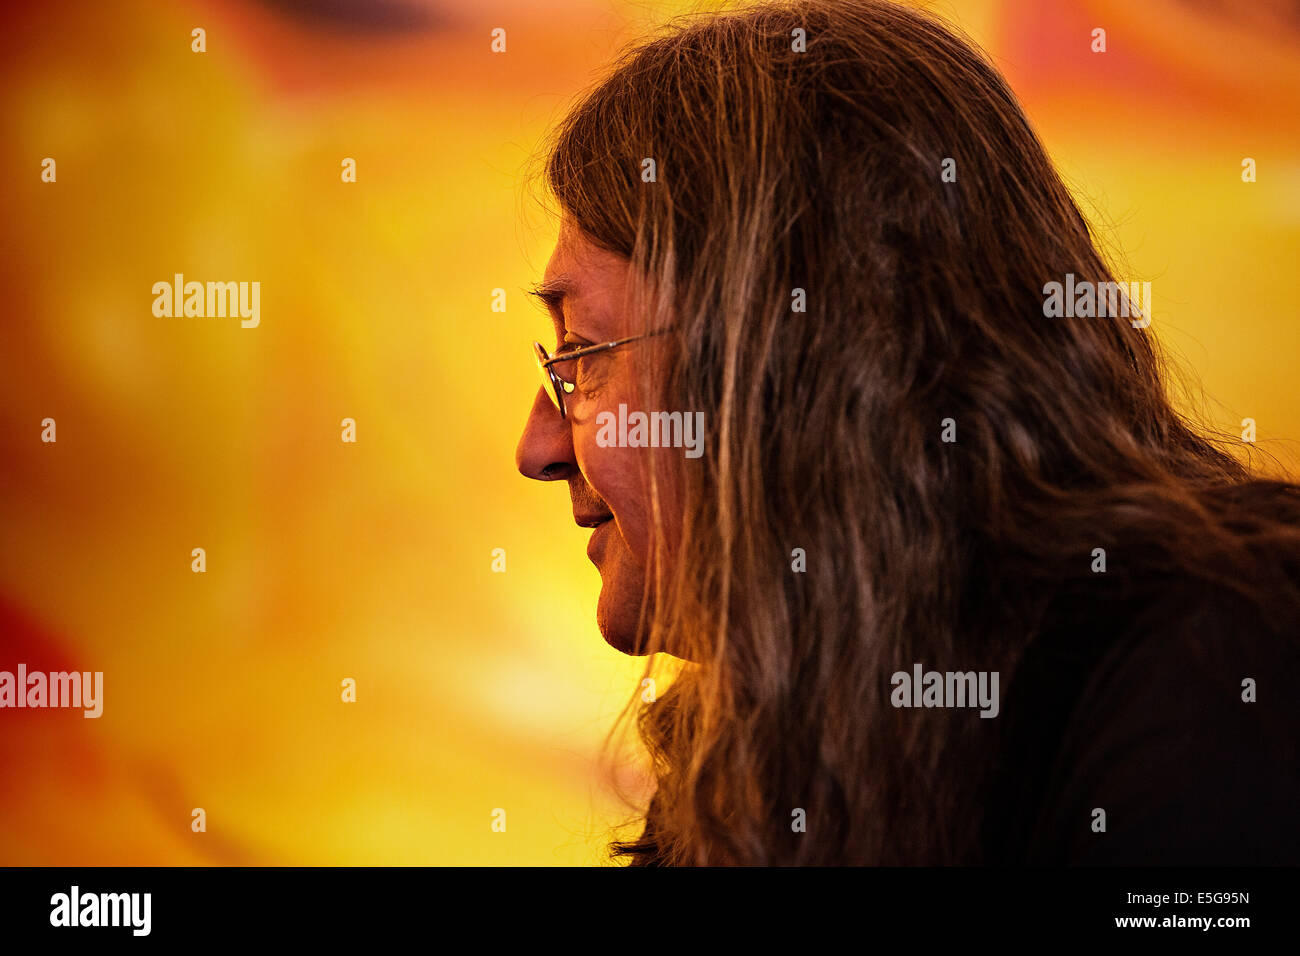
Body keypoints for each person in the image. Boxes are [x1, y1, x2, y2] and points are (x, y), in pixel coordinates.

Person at [514, 0, 1300, 865]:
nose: (538, 449)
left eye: (585, 358)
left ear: (789, 358)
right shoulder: (762, 748)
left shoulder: (1217, 668)